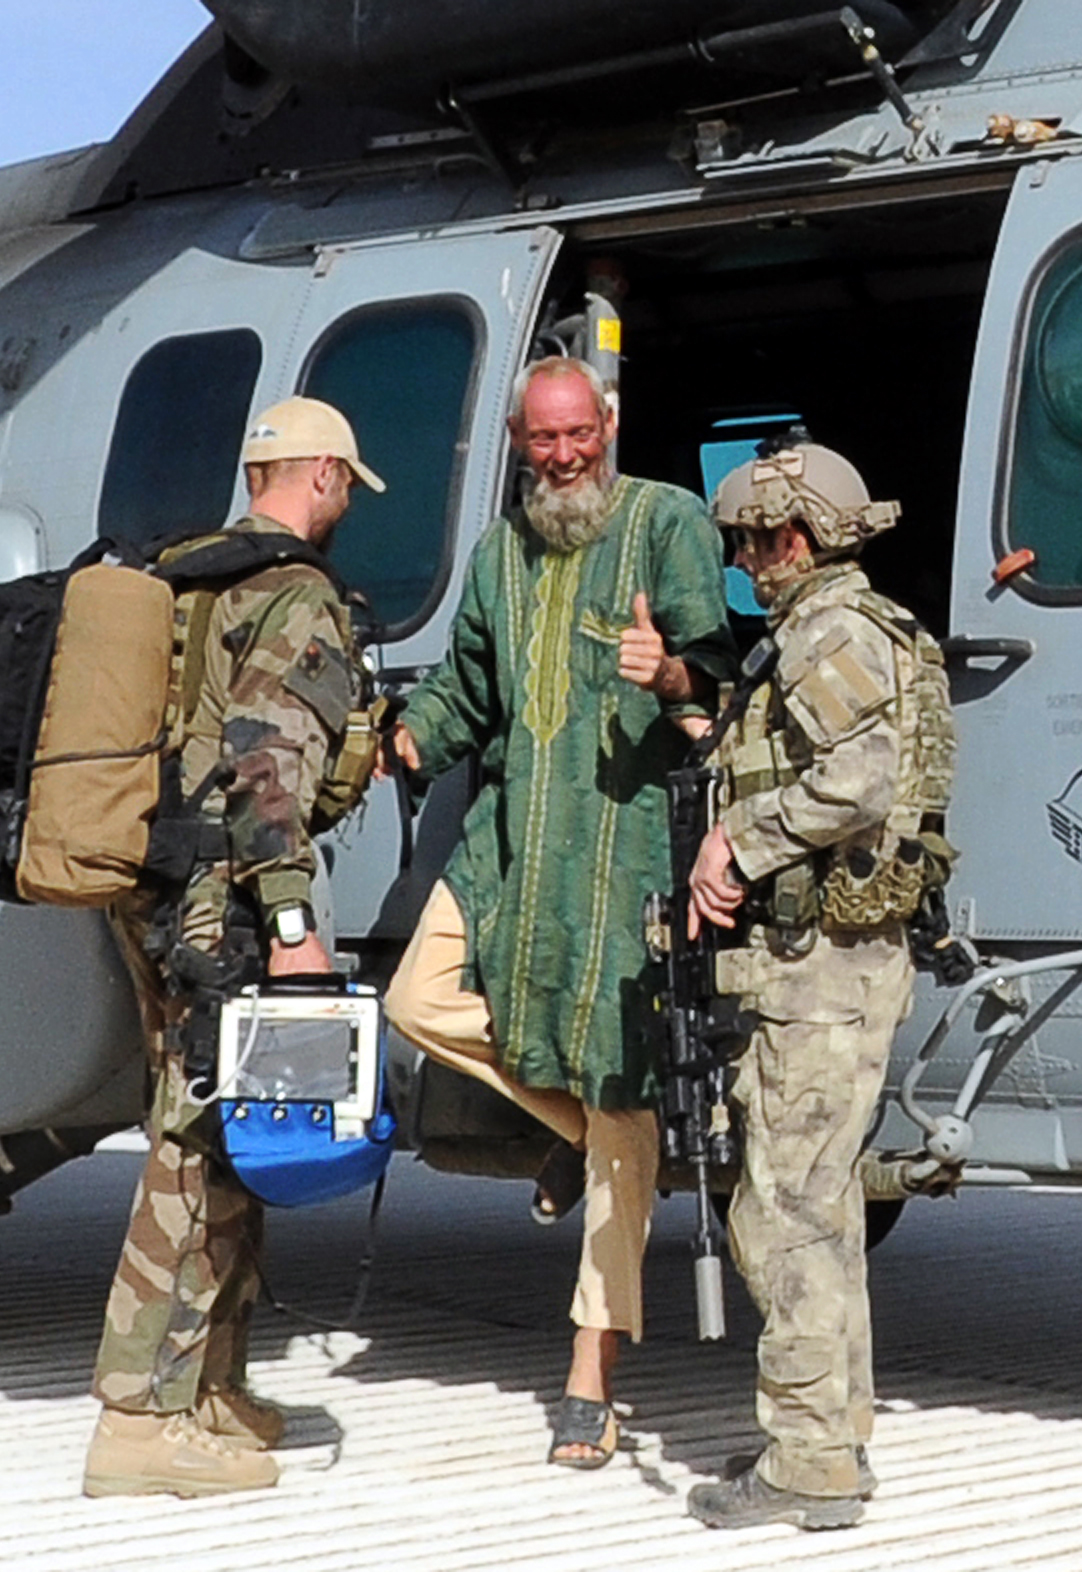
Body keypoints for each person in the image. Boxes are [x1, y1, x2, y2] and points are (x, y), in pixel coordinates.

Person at [383, 355, 734, 1468]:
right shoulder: (499, 553)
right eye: (544, 440)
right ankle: (574, 1137)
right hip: (511, 851)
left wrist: (668, 673)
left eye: (579, 434)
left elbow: (722, 676)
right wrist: (406, 736)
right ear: (518, 442)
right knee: (413, 998)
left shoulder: (665, 523)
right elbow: (468, 688)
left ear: (610, 424)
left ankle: (590, 1371)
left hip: (624, 856)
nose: (564, 456)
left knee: (626, 1104)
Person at [83, 396, 383, 1497]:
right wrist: (294, 923)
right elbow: (263, 768)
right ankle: (137, 1417)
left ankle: (211, 1385)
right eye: (347, 485)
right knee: (200, 1140)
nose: (346, 503)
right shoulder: (294, 593)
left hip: (161, 885)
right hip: (230, 900)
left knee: (232, 1128)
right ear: (321, 478)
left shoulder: (184, 579)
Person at [685, 440, 941, 1532]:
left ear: (795, 537)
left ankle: (809, 1465)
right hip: (840, 965)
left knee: (783, 1212)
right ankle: (829, 1432)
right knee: (823, 1206)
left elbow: (859, 779)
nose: (743, 564)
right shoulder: (847, 630)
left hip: (818, 971)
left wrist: (735, 842)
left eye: (749, 542)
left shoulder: (828, 633)